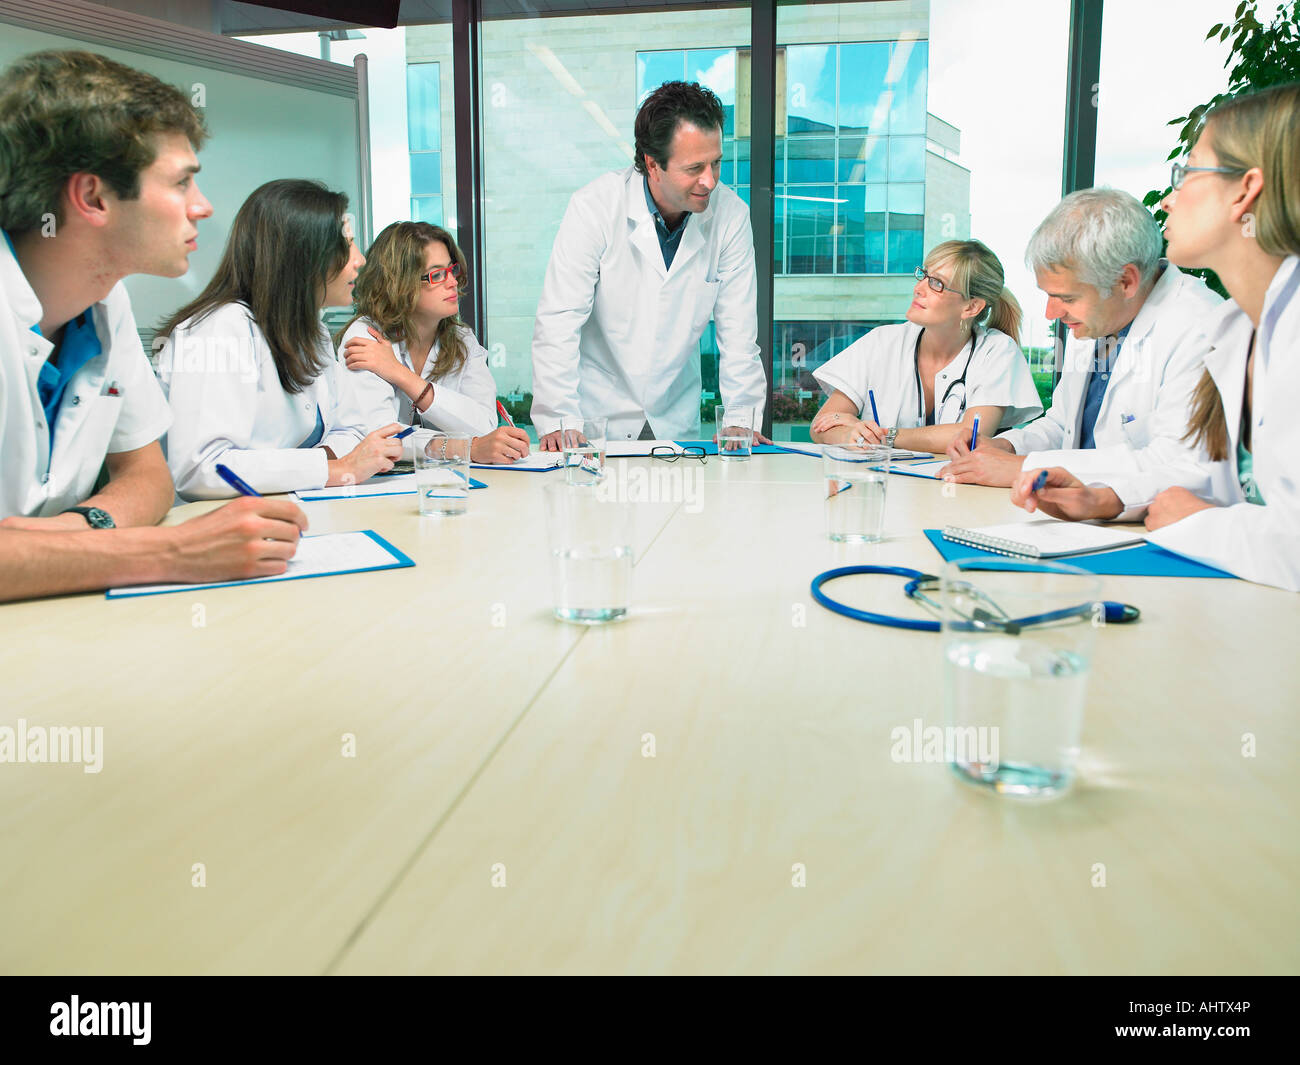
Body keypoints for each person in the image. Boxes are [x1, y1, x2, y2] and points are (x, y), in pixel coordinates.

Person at [0, 50, 305, 603]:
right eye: (182, 183)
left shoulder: (102, 301)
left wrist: (62, 538)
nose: (204, 207)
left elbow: (148, 476)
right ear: (93, 197)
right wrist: (174, 552)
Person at [1013, 83, 1300, 592]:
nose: (1168, 198)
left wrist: (1197, 525)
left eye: (1187, 173)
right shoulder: (1238, 329)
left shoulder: (1245, 327)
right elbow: (1203, 476)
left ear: (1245, 191)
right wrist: (1110, 499)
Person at [530, 80, 768, 447]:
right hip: (594, 418)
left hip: (674, 415)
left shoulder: (731, 216)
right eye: (694, 168)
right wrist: (559, 419)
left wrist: (741, 418)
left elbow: (739, 336)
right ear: (652, 164)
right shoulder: (594, 207)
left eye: (716, 163)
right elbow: (558, 322)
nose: (710, 180)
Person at [941, 189, 1224, 494]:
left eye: (1067, 297)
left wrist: (1026, 468)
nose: (1051, 313)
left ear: (1125, 281)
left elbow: (1177, 464)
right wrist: (1006, 445)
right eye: (1048, 294)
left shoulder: (1199, 326)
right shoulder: (1104, 317)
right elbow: (1061, 426)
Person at [157, 179, 404, 499]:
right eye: (348, 245)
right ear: (303, 257)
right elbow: (202, 470)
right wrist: (335, 468)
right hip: (216, 525)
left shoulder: (311, 329)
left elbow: (352, 431)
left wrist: (335, 464)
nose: (359, 260)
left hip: (292, 508)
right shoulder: (220, 328)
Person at [809, 240, 1041, 452]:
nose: (919, 288)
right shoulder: (882, 341)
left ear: (971, 307)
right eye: (924, 275)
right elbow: (822, 425)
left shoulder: (996, 351)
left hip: (958, 492)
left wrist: (882, 436)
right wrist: (851, 433)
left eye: (936, 283)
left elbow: (970, 436)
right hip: (886, 485)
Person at [335, 221, 531, 463]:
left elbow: (485, 426)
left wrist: (402, 376)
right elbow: (379, 436)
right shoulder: (366, 335)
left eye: (452, 270)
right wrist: (464, 448)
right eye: (437, 275)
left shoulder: (462, 340)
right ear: (399, 283)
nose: (453, 282)